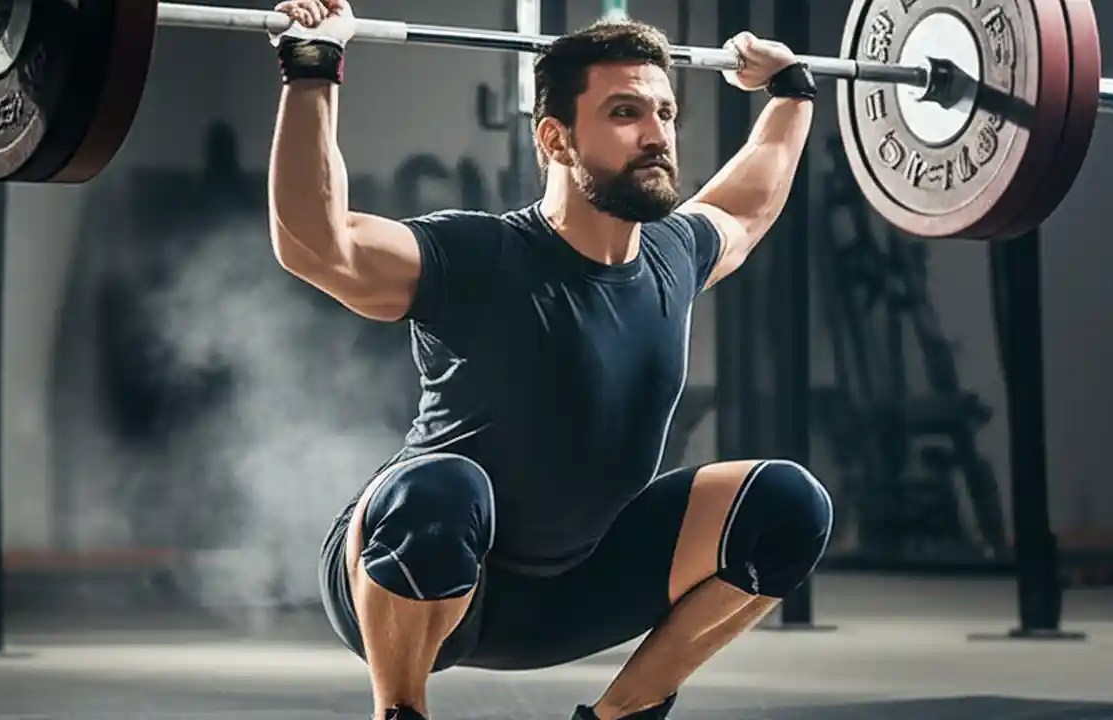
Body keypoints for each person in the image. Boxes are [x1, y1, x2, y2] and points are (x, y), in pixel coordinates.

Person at [267, 1, 833, 718]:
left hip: (572, 592)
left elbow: (751, 200)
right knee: (439, 491)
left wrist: (791, 90)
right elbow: (318, 242)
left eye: (665, 113)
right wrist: (312, 67)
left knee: (788, 505)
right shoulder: (480, 256)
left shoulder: (675, 255)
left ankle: (623, 714)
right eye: (627, 112)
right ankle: (399, 710)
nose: (657, 134)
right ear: (556, 139)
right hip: (419, 575)